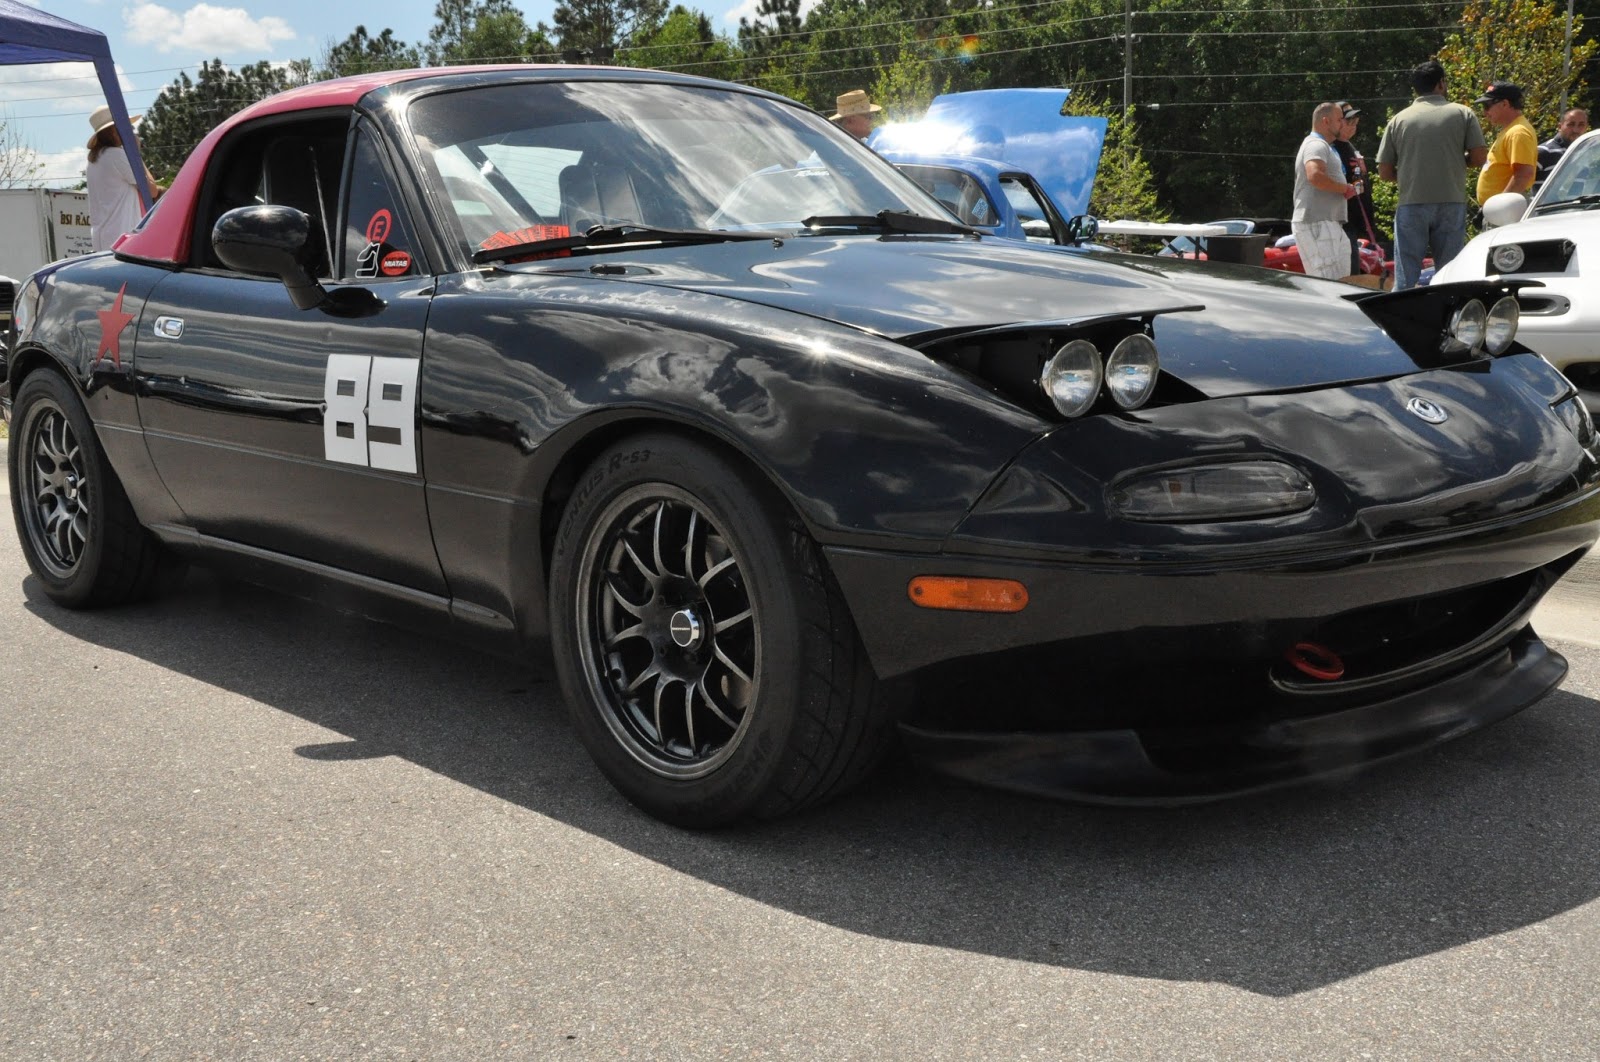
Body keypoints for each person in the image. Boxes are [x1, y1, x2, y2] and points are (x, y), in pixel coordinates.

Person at [1375, 59, 1488, 290]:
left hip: (1411, 203)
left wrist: (1410, 174)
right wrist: (1454, 164)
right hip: (1451, 201)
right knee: (1449, 275)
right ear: (1441, 84)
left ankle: (1404, 321)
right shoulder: (1463, 113)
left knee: (1406, 278)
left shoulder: (1398, 120)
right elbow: (1479, 158)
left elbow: (1384, 171)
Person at [1291, 102, 1358, 281]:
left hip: (1328, 223)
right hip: (1317, 223)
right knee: (1329, 284)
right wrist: (1345, 188)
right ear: (1326, 121)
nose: (1342, 124)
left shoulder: (1325, 146)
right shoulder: (1316, 145)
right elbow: (1315, 175)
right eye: (1339, 120)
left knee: (1341, 283)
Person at [85, 104, 163, 252]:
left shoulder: (95, 160)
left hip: (104, 239)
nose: (131, 131)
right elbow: (151, 190)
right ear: (114, 131)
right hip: (122, 239)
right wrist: (135, 154)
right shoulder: (116, 155)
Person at [1331, 101, 1385, 275]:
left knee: (1357, 271)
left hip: (1356, 223)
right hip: (1342, 223)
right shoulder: (1331, 149)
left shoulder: (1349, 147)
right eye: (1349, 121)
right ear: (1335, 122)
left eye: (1356, 121)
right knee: (1349, 273)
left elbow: (1359, 183)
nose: (1353, 126)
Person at [1475, 81, 1537, 202]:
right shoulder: (1510, 130)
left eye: (1487, 106)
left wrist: (1500, 206)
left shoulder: (1518, 132)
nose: (1485, 112)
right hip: (1500, 210)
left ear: (1504, 104)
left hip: (1505, 211)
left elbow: (1523, 175)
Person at [1537, 107, 1590, 184]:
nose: (1576, 130)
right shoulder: (1544, 151)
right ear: (1560, 126)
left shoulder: (1587, 152)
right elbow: (1519, 179)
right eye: (1571, 124)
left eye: (1581, 125)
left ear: (1586, 127)